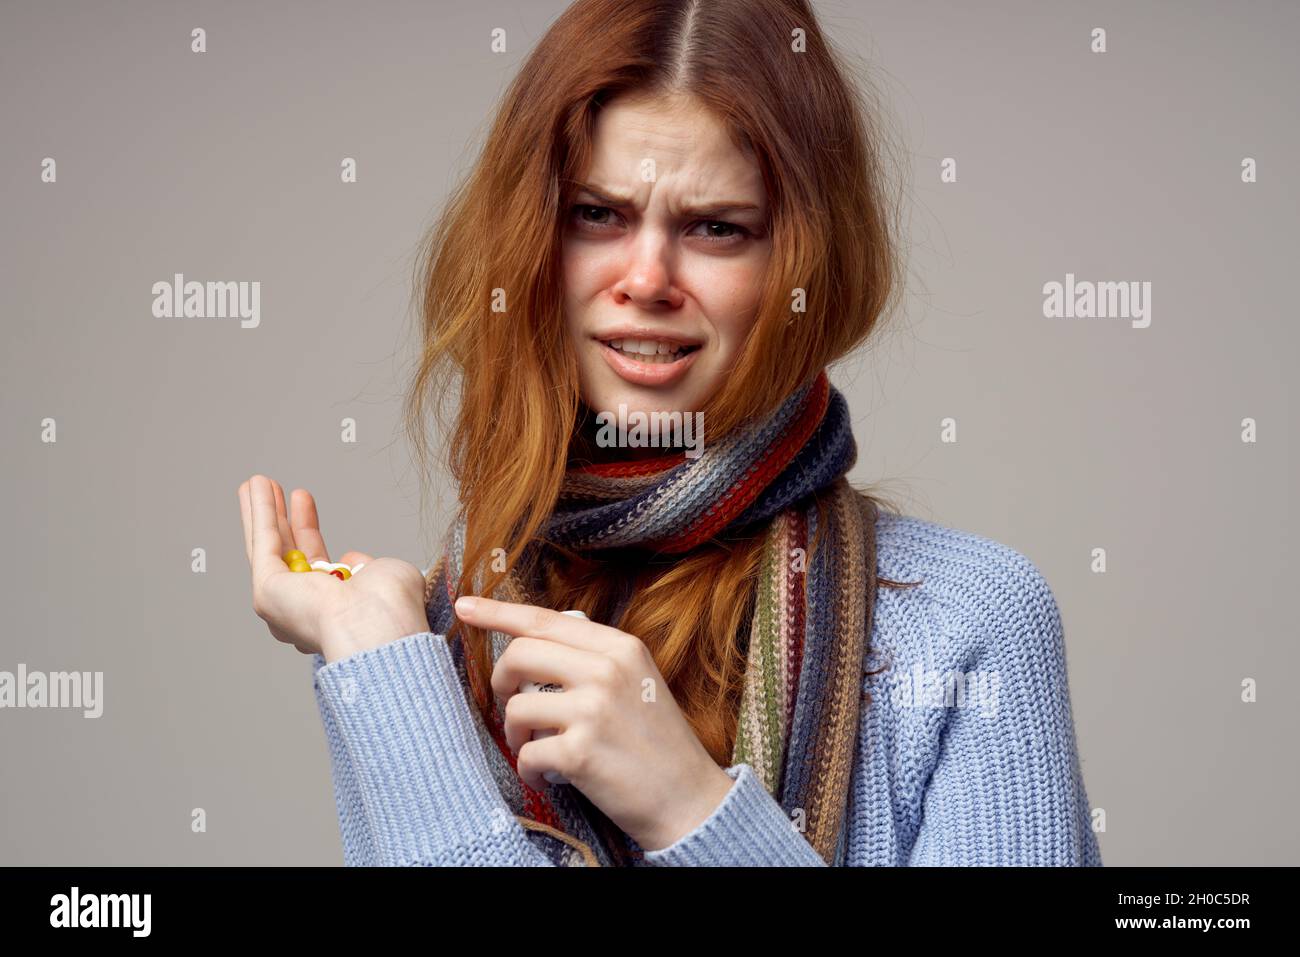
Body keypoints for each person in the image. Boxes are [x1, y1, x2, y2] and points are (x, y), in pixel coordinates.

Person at [237, 0, 1102, 866]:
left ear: (799, 265)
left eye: (716, 228)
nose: (647, 278)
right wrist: (381, 668)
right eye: (598, 214)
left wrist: (689, 807)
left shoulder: (968, 625)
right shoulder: (421, 644)